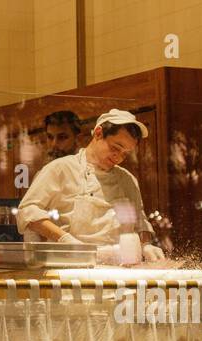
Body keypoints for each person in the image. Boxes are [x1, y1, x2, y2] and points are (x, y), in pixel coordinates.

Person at [17, 108, 163, 259]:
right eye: (115, 148)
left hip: (118, 267)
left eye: (125, 153)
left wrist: (146, 245)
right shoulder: (60, 169)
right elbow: (28, 211)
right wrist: (65, 239)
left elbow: (139, 221)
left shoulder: (127, 179)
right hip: (70, 266)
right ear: (98, 133)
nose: (119, 157)